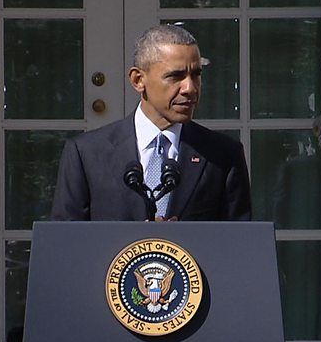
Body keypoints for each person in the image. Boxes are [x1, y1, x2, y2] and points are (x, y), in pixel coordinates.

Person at [51, 24, 251, 221]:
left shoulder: (223, 155)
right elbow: (66, 242)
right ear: (138, 80)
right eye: (175, 76)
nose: (190, 88)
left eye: (196, 74)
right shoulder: (86, 153)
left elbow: (239, 243)